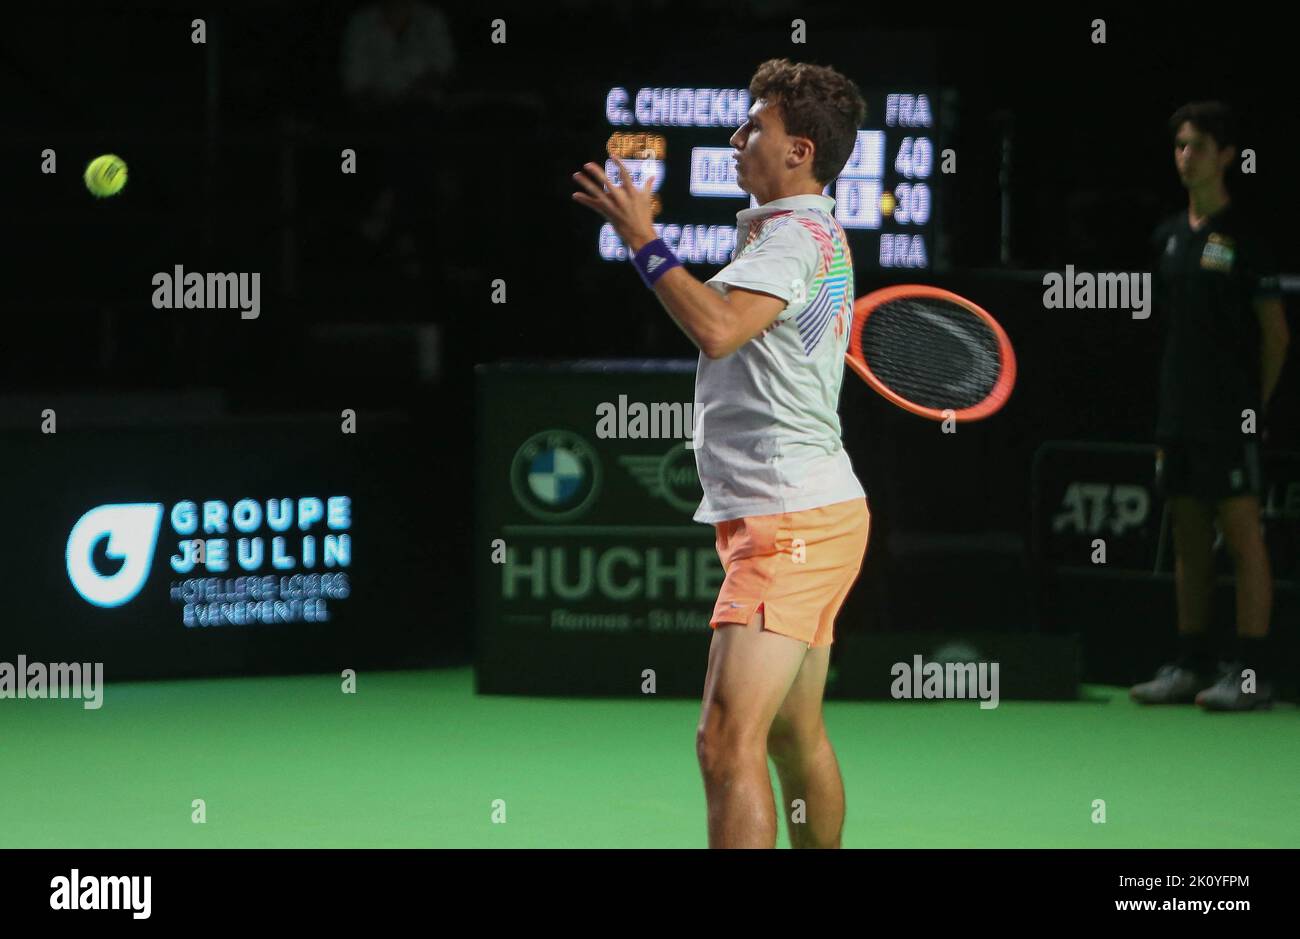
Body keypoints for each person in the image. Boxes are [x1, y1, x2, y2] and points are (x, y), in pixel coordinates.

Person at [573, 58, 869, 847]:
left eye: (755, 128)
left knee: (724, 741)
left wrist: (643, 240)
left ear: (799, 151)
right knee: (790, 734)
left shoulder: (792, 239)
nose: (737, 139)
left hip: (790, 520)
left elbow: (716, 325)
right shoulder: (810, 232)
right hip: (815, 509)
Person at [1130, 101, 1290, 711]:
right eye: (1179, 146)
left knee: (1244, 538)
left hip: (1232, 417)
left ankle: (1250, 674)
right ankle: (1192, 664)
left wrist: (1253, 407)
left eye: (1197, 146)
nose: (1185, 156)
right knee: (1189, 539)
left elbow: (1276, 336)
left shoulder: (1247, 240)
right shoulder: (1168, 238)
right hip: (1178, 415)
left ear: (1225, 155)